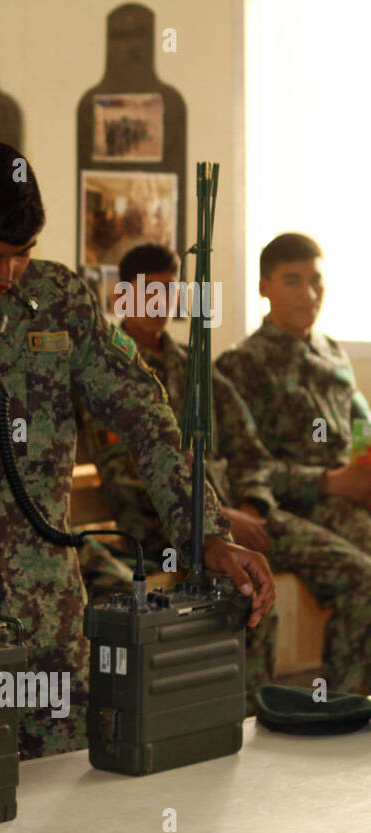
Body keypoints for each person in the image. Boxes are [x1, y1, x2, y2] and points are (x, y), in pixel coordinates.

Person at [0, 138, 274, 759]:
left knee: (65, 816)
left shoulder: (59, 300)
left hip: (50, 622)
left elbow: (144, 413)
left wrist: (205, 530)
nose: (5, 276)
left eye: (22, 255)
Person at [85, 244, 371, 699]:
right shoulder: (105, 373)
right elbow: (131, 480)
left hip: (241, 518)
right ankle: (243, 725)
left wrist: (251, 503)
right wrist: (214, 522)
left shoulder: (195, 370)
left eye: (170, 291)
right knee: (250, 594)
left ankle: (341, 706)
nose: (161, 304)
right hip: (170, 535)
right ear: (123, 296)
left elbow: (248, 450)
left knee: (359, 574)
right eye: (148, 292)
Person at [216, 233, 371, 556]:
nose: (309, 294)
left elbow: (362, 431)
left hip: (352, 496)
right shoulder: (241, 365)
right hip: (296, 505)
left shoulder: (332, 353)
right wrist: (328, 481)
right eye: (292, 282)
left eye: (316, 281)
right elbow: (242, 469)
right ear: (263, 287)